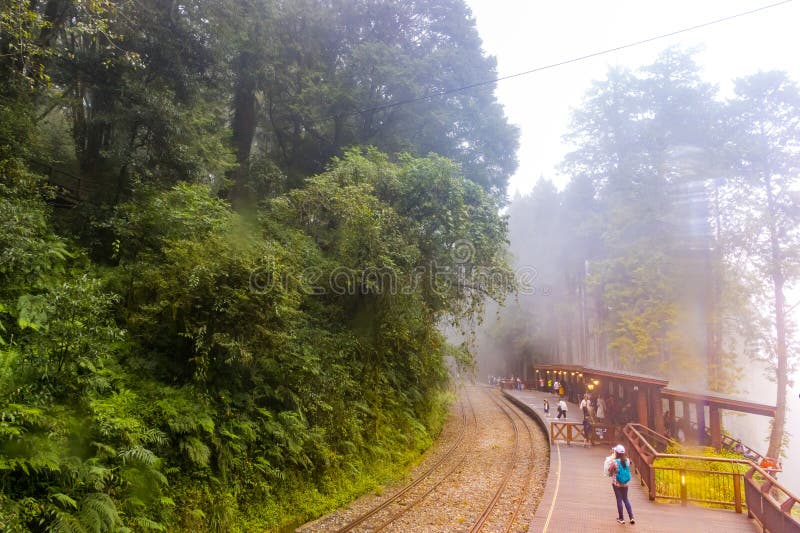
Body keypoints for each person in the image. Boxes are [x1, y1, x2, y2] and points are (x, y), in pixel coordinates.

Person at [606, 444, 635, 525]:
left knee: (619, 500)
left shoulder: (615, 462)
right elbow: (629, 464)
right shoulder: (627, 461)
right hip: (625, 484)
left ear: (616, 452)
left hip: (616, 484)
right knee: (626, 499)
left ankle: (621, 518)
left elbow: (609, 470)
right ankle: (631, 517)